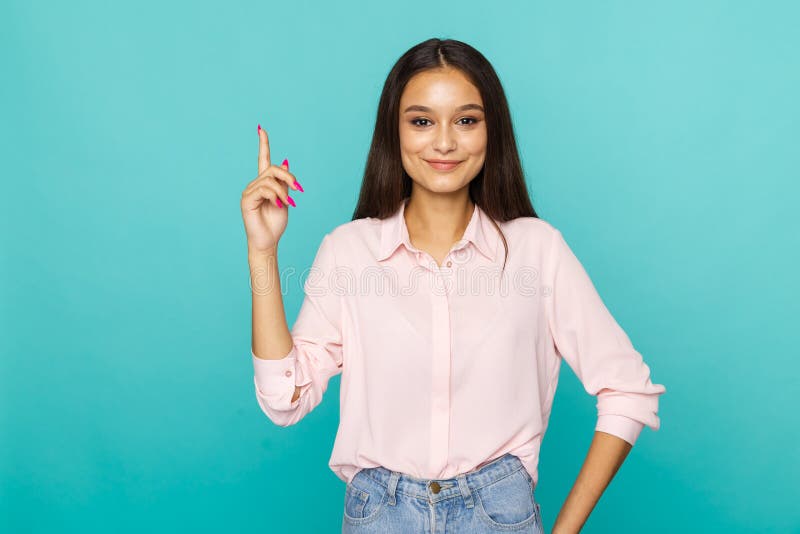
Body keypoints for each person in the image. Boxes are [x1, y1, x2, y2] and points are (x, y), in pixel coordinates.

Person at [240, 38, 666, 534]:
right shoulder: (348, 252)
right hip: (380, 516)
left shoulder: (537, 251)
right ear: (393, 133)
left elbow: (629, 391)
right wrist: (263, 253)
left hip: (498, 515)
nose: (444, 142)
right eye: (422, 121)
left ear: (492, 131)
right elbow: (283, 399)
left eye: (466, 120)